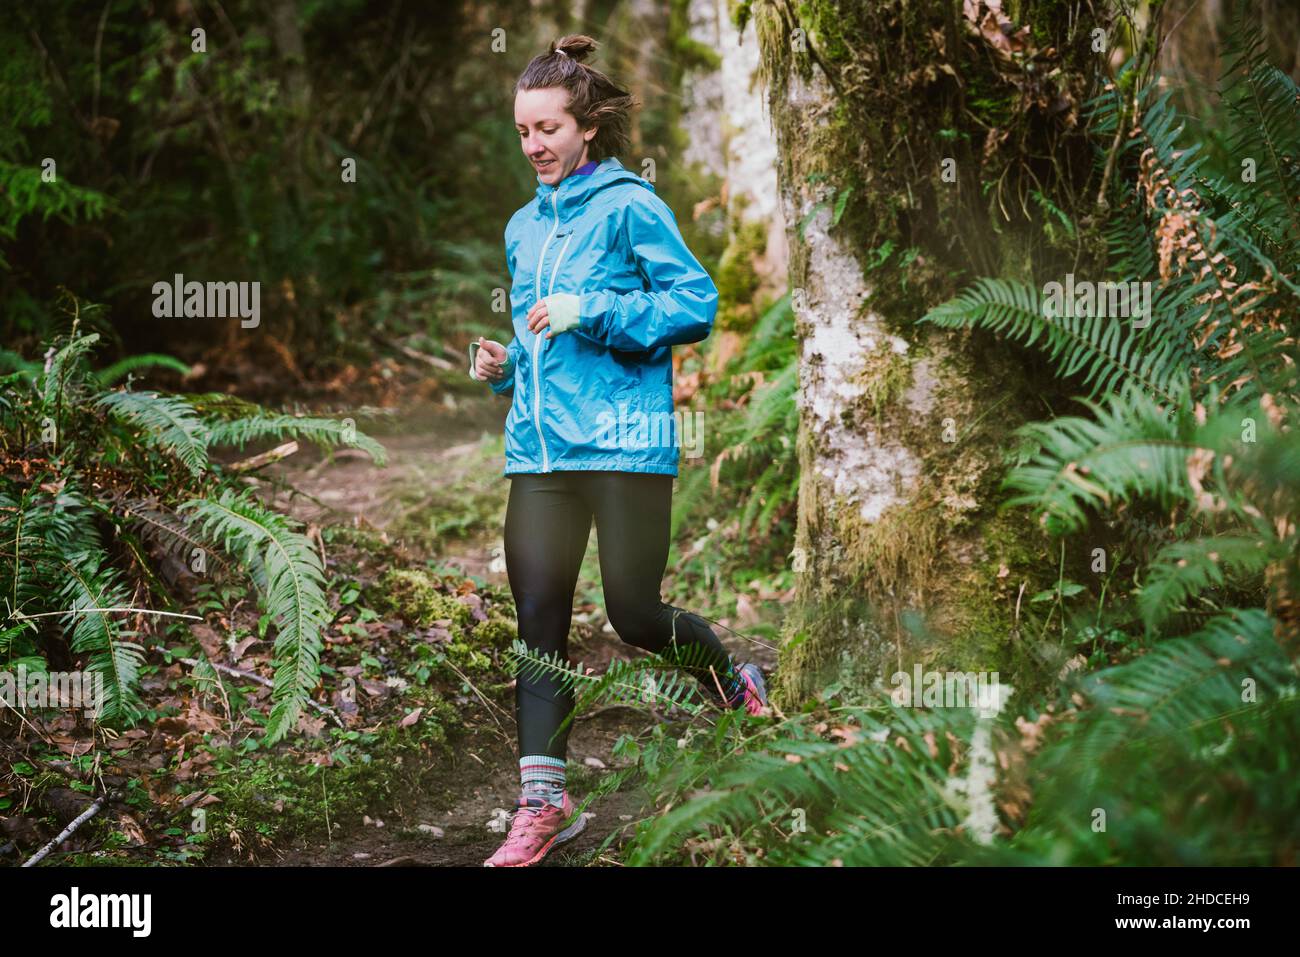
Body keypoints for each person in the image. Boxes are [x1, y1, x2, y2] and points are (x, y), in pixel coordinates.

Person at [470, 34, 768, 867]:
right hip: (539, 454)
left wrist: (589, 310)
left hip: (626, 446)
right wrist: (503, 368)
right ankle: (544, 801)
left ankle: (733, 683)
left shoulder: (632, 204)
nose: (535, 146)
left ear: (587, 127)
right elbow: (538, 338)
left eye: (549, 129)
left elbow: (694, 303)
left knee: (634, 612)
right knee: (538, 624)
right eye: (524, 131)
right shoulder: (522, 227)